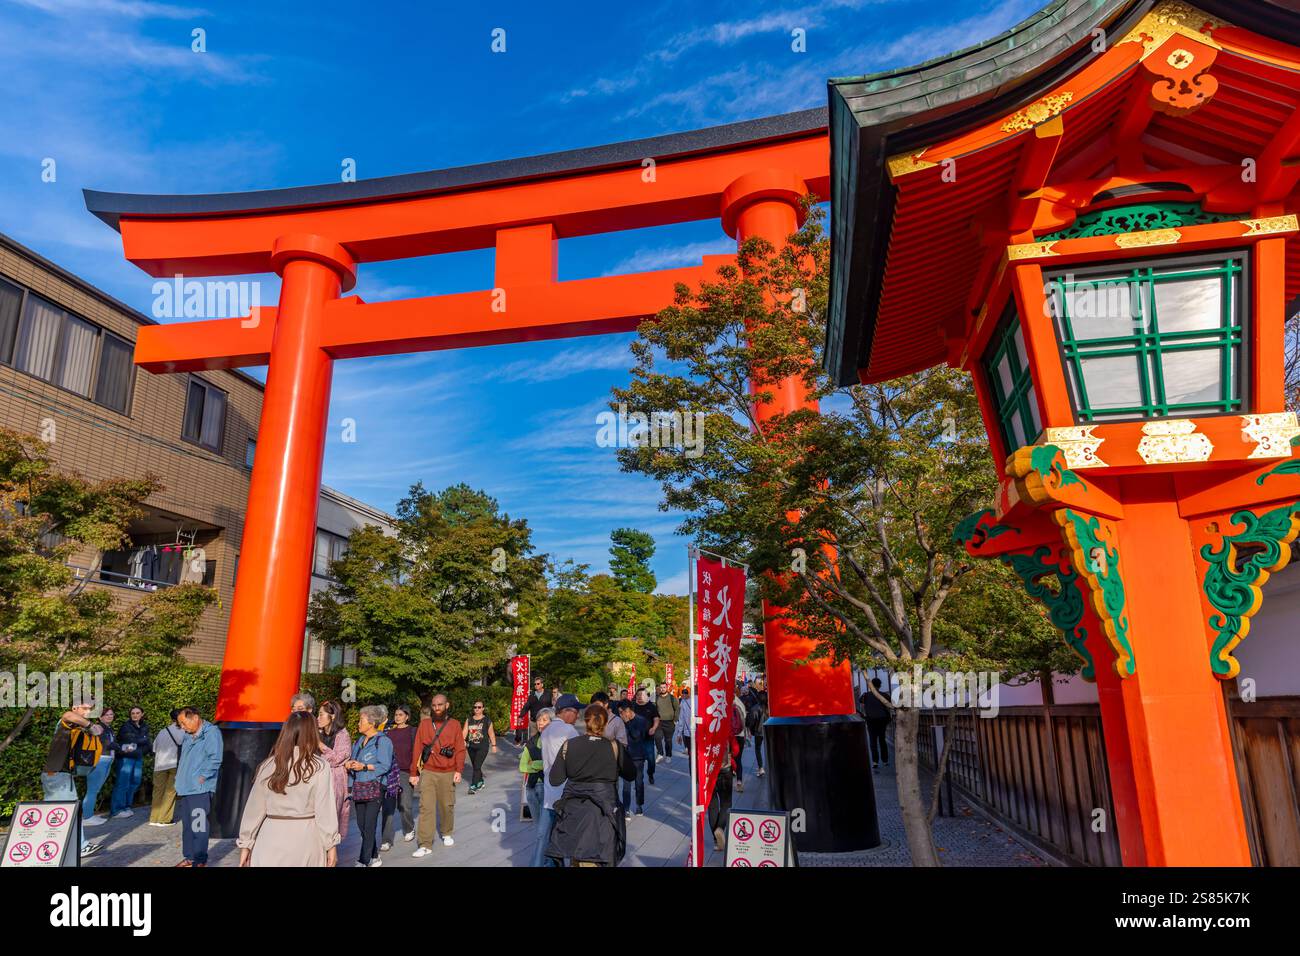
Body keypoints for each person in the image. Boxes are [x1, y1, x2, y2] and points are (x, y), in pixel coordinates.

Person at [236, 711, 339, 867]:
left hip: (269, 837)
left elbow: (254, 809)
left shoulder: (268, 765)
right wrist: (331, 845)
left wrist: (245, 844)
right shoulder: (319, 766)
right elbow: (325, 810)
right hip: (305, 839)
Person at [545, 704, 635, 866]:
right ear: (606, 723)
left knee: (576, 859)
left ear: (585, 721)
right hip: (603, 814)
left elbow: (555, 779)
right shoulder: (614, 747)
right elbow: (631, 774)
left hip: (573, 814)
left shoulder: (569, 745)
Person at [42, 701, 105, 858]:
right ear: (75, 708)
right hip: (58, 774)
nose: (87, 712)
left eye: (90, 709)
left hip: (59, 774)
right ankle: (80, 846)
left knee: (57, 814)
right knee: (70, 811)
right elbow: (68, 715)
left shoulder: (74, 727)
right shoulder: (67, 721)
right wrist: (91, 726)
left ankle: (51, 847)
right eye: (84, 709)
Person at [410, 693, 466, 857]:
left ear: (447, 705)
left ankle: (446, 831)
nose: (437, 708)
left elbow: (460, 749)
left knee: (447, 806)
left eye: (440, 705)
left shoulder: (455, 724)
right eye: (434, 705)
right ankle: (425, 844)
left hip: (448, 772)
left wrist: (458, 770)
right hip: (428, 771)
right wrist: (414, 772)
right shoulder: (425, 724)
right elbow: (417, 749)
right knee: (425, 807)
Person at [532, 693, 581, 867]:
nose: (578, 716)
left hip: (549, 795)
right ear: (566, 711)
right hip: (566, 796)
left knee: (544, 837)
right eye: (576, 712)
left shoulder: (546, 731)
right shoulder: (569, 731)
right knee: (566, 839)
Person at [346, 705, 395, 867]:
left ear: (372, 723)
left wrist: (364, 766)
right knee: (361, 825)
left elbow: (384, 766)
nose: (359, 723)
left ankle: (363, 860)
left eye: (361, 720)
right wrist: (350, 766)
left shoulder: (383, 741)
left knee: (369, 825)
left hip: (375, 786)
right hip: (359, 787)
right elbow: (355, 760)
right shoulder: (360, 740)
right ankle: (374, 855)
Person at [175, 707, 223, 867]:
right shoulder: (189, 735)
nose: (182, 727)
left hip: (199, 790)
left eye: (183, 722)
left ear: (195, 717)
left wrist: (202, 777)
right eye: (180, 724)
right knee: (187, 827)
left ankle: (200, 860)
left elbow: (215, 758)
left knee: (199, 826)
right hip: (185, 788)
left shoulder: (211, 733)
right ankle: (189, 857)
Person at [708, 696, 745, 851]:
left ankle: (716, 841)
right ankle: (720, 829)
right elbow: (735, 750)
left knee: (712, 805)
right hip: (725, 768)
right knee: (726, 802)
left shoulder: (706, 724)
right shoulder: (726, 727)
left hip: (708, 770)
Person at [381, 704, 418, 848]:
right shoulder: (389, 733)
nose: (397, 717)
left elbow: (416, 753)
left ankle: (409, 828)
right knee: (388, 807)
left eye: (400, 715)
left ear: (407, 717)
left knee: (405, 805)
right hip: (390, 773)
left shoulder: (412, 731)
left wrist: (415, 773)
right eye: (396, 715)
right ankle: (386, 840)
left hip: (405, 772)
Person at [316, 699, 352, 840]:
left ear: (332, 716)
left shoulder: (343, 735)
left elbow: (338, 759)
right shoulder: (318, 733)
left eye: (321, 715)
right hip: (317, 779)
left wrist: (320, 746)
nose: (318, 718)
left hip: (334, 782)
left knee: (331, 819)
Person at [110, 705, 151, 818]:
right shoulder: (126, 726)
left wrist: (142, 746)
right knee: (123, 783)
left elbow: (148, 744)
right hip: (125, 758)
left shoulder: (144, 726)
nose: (135, 715)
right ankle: (117, 810)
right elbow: (131, 741)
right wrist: (143, 740)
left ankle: (126, 807)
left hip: (137, 757)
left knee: (135, 782)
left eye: (137, 713)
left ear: (142, 714)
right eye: (133, 713)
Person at [81, 706, 117, 826]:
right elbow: (106, 744)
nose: (110, 717)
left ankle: (89, 815)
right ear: (100, 717)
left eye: (111, 714)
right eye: (107, 715)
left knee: (95, 790)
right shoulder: (99, 727)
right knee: (92, 790)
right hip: (99, 760)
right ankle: (87, 817)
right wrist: (120, 747)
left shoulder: (109, 729)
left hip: (107, 760)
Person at [149, 709, 184, 826]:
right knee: (170, 792)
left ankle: (154, 818)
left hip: (159, 765)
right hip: (174, 764)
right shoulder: (184, 732)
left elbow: (154, 748)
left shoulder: (162, 731)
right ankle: (164, 819)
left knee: (157, 791)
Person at [616, 699, 649, 816]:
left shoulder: (641, 720)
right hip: (625, 756)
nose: (620, 715)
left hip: (638, 756)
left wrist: (628, 723)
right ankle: (626, 809)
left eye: (621, 712)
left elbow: (636, 735)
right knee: (626, 784)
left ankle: (639, 805)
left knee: (639, 782)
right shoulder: (620, 721)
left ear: (628, 711)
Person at [520, 707, 552, 823]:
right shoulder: (531, 741)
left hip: (548, 787)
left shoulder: (555, 740)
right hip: (531, 787)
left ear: (551, 722)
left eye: (544, 720)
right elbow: (522, 766)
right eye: (539, 720)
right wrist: (540, 765)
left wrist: (535, 764)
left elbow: (553, 765)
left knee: (545, 827)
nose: (540, 723)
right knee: (538, 826)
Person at [462, 699, 497, 794]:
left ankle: (473, 785)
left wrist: (494, 745)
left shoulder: (487, 720)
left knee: (477, 766)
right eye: (475, 707)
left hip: (483, 746)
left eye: (479, 707)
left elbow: (491, 733)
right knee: (475, 766)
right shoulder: (469, 719)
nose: (476, 709)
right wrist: (462, 741)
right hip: (471, 747)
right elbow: (465, 731)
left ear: (483, 709)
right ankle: (481, 781)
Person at [858, 677, 892, 769]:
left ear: (871, 686)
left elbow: (860, 701)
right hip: (882, 720)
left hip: (871, 721)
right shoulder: (884, 695)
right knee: (882, 740)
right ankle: (885, 760)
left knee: (873, 741)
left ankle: (875, 762)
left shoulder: (865, 696)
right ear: (880, 685)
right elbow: (890, 703)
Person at [741, 678, 769, 778]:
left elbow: (750, 721)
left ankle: (761, 767)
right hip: (769, 731)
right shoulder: (769, 708)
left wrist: (749, 729)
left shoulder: (756, 708)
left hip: (758, 731)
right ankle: (768, 766)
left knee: (757, 748)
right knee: (768, 749)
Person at [632, 689, 660, 784]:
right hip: (636, 739)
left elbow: (656, 718)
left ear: (646, 696)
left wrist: (654, 728)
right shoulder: (633, 707)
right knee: (639, 761)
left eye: (641, 694)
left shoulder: (651, 706)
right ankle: (639, 779)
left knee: (651, 759)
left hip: (648, 738)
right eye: (638, 695)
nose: (639, 696)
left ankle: (650, 773)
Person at [654, 681, 680, 763]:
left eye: (664, 687)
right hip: (659, 722)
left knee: (668, 740)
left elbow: (677, 709)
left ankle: (668, 755)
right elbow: (654, 709)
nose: (662, 689)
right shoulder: (657, 698)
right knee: (657, 738)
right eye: (661, 687)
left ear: (667, 688)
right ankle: (660, 754)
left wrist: (675, 719)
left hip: (670, 722)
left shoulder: (672, 698)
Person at [732, 694, 747, 793]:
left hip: (731, 736)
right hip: (741, 735)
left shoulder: (728, 703)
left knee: (729, 758)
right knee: (738, 759)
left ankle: (728, 781)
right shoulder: (740, 703)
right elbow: (744, 717)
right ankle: (739, 782)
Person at [677, 687, 693, 756]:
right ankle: (686, 748)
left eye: (684, 694)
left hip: (688, 728)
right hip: (688, 728)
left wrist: (678, 734)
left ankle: (688, 749)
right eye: (682, 694)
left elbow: (681, 717)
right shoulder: (683, 701)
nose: (683, 696)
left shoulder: (685, 702)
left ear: (688, 694)